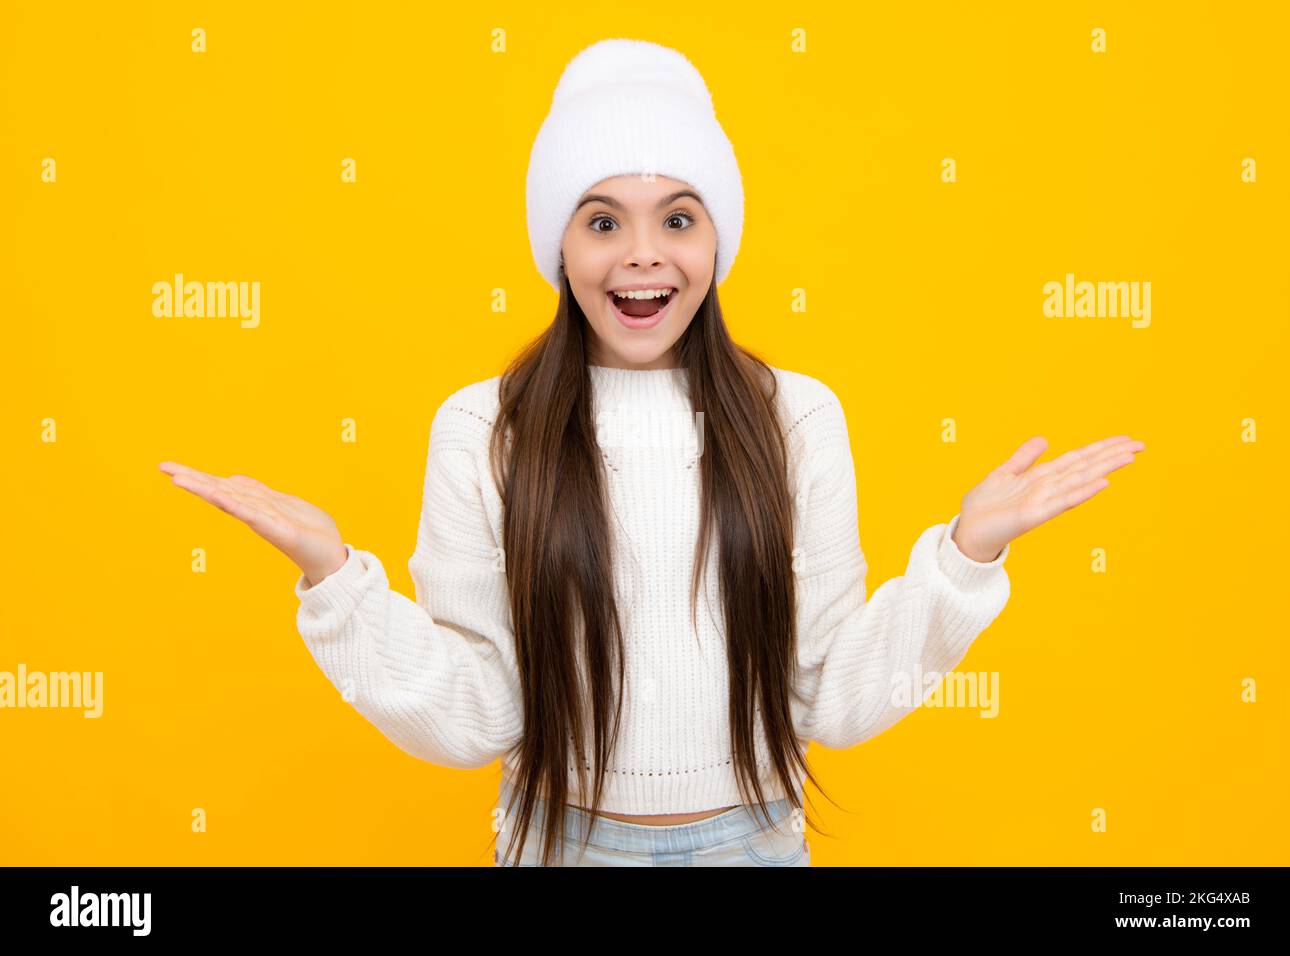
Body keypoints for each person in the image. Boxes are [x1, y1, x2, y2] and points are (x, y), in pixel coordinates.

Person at [158, 38, 1144, 867]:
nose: (641, 254)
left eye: (678, 216)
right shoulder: (484, 427)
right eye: (601, 220)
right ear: (559, 244)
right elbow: (478, 712)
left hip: (754, 841)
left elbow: (829, 697)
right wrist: (337, 581)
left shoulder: (793, 417)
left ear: (717, 240)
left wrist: (963, 556)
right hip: (556, 841)